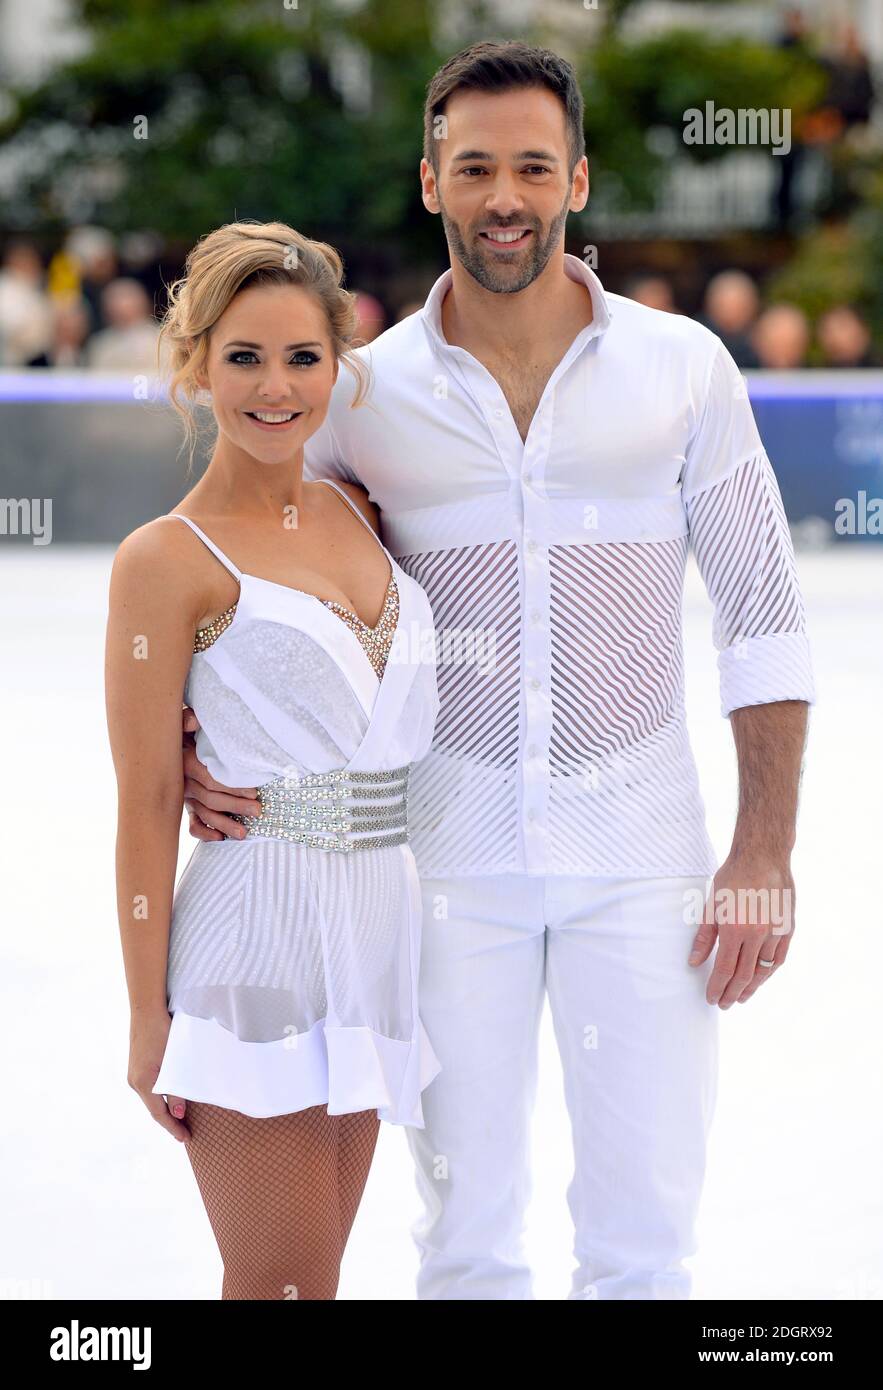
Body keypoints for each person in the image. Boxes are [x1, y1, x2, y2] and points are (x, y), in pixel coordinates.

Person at [181, 41, 816, 1300]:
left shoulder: (681, 369)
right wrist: (190, 748)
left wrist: (763, 852)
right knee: (465, 1242)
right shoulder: (365, 393)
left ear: (576, 178)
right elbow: (245, 567)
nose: (503, 196)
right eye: (474, 168)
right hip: (443, 865)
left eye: (532, 165)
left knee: (643, 1244)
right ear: (431, 183)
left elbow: (763, 613)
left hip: (644, 856)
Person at [104, 220, 441, 1300]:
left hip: (377, 930)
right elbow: (150, 797)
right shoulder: (164, 560)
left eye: (302, 356)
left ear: (338, 366)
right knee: (279, 1287)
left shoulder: (358, 507)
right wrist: (146, 1018)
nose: (275, 386)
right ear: (195, 365)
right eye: (243, 356)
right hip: (256, 940)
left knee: (315, 1287)